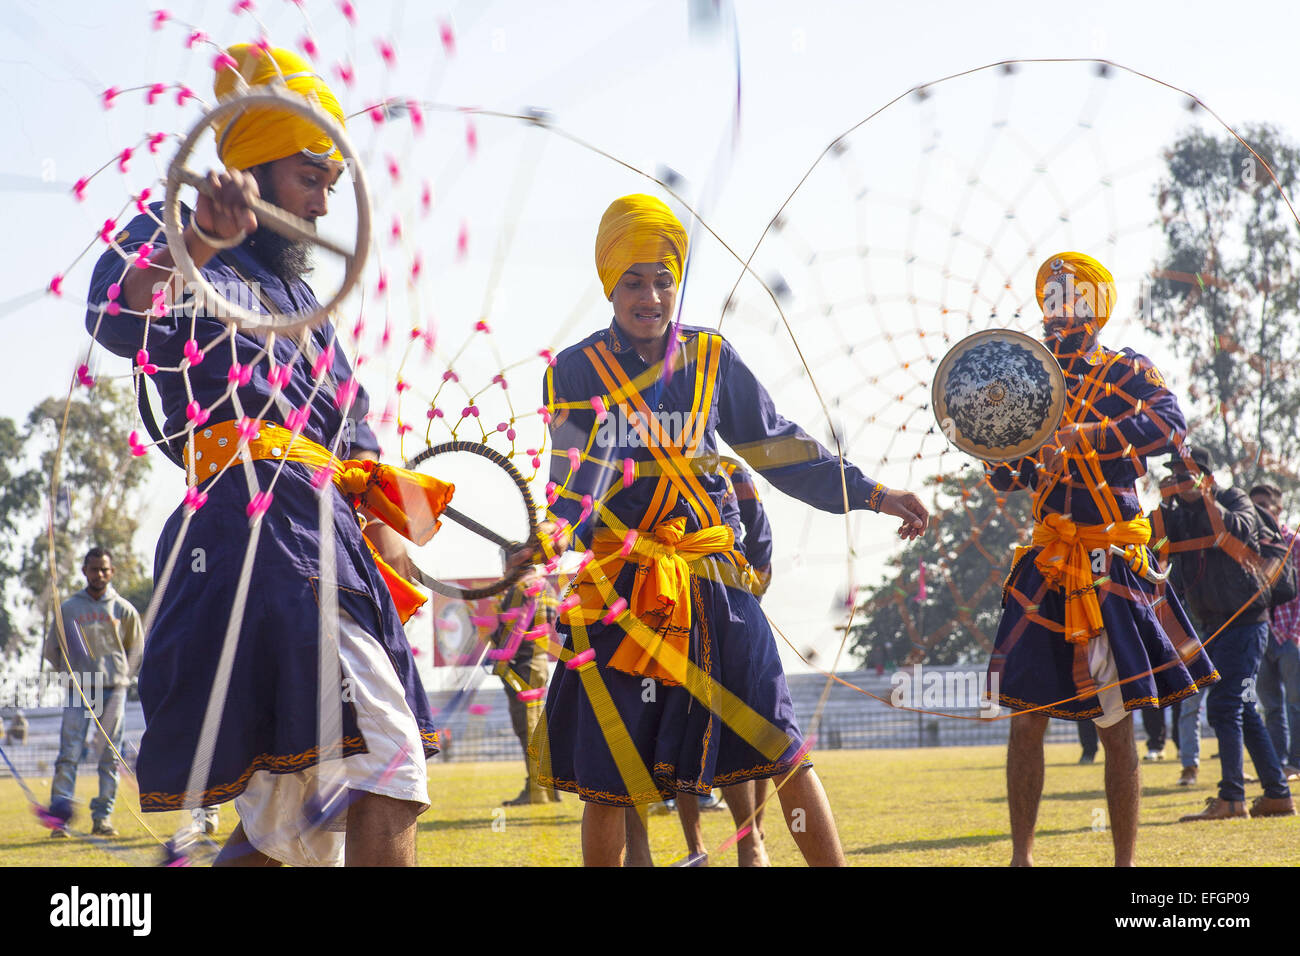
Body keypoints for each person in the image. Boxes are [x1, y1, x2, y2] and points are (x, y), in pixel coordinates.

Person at [84, 45, 448, 866]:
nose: (324, 205)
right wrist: (203, 242)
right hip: (251, 534)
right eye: (312, 178)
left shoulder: (308, 306)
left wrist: (411, 558)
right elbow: (119, 310)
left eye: (330, 183)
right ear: (255, 166)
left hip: (329, 543)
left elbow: (354, 435)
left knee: (289, 823)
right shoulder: (174, 237)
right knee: (388, 763)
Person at [533, 194, 928, 866]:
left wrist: (874, 493)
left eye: (664, 279)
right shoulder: (574, 371)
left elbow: (781, 450)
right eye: (633, 280)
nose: (651, 296)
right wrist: (545, 537)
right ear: (610, 283)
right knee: (610, 782)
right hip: (622, 592)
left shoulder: (712, 358)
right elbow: (570, 488)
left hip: (717, 585)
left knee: (784, 752)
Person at [985, 252, 1217, 866]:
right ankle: (1021, 859)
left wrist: (1086, 438)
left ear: (1097, 307)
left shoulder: (1127, 369)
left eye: (1072, 298)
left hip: (1109, 558)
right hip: (1047, 561)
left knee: (1117, 722)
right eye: (1050, 298)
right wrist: (991, 434)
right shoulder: (1029, 381)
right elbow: (1006, 477)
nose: (1059, 311)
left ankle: (1124, 864)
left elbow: (1171, 428)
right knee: (1026, 716)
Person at [623, 456, 775, 866]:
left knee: (734, 723)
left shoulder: (730, 468)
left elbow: (760, 546)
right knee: (639, 724)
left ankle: (751, 842)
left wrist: (747, 600)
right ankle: (690, 850)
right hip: (646, 599)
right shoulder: (627, 463)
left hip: (710, 602)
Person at [1159, 450, 1295, 820]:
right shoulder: (1178, 516)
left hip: (1247, 622)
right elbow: (1159, 555)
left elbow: (1239, 528)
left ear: (1205, 476)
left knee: (1224, 706)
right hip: (1212, 627)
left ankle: (1233, 798)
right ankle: (1278, 795)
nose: (1179, 480)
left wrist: (1203, 499)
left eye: (1186, 475)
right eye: (1174, 474)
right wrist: (1165, 505)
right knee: (1244, 709)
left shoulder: (1233, 498)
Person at [44, 548, 142, 838]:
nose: (99, 574)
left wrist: (121, 675)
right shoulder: (69, 609)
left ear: (111, 572)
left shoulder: (123, 609)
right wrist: (71, 672)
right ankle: (60, 818)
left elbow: (136, 651)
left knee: (110, 757)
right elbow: (53, 650)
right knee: (69, 753)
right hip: (79, 690)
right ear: (84, 571)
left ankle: (103, 819)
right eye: (94, 569)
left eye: (105, 569)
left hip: (114, 690)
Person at [489, 569, 561, 806]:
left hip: (521, 666)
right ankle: (548, 789)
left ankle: (537, 791)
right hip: (538, 663)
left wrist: (501, 657)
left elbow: (517, 625)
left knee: (528, 729)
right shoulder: (546, 586)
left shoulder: (522, 587)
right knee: (537, 729)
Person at [1249, 483, 1300, 780]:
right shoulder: (1250, 543)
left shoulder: (1294, 543)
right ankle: (1278, 763)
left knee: (1295, 705)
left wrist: (1294, 635)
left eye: (1265, 506)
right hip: (1261, 635)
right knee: (1271, 708)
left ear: (1278, 509)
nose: (1259, 512)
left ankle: (1296, 762)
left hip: (1290, 635)